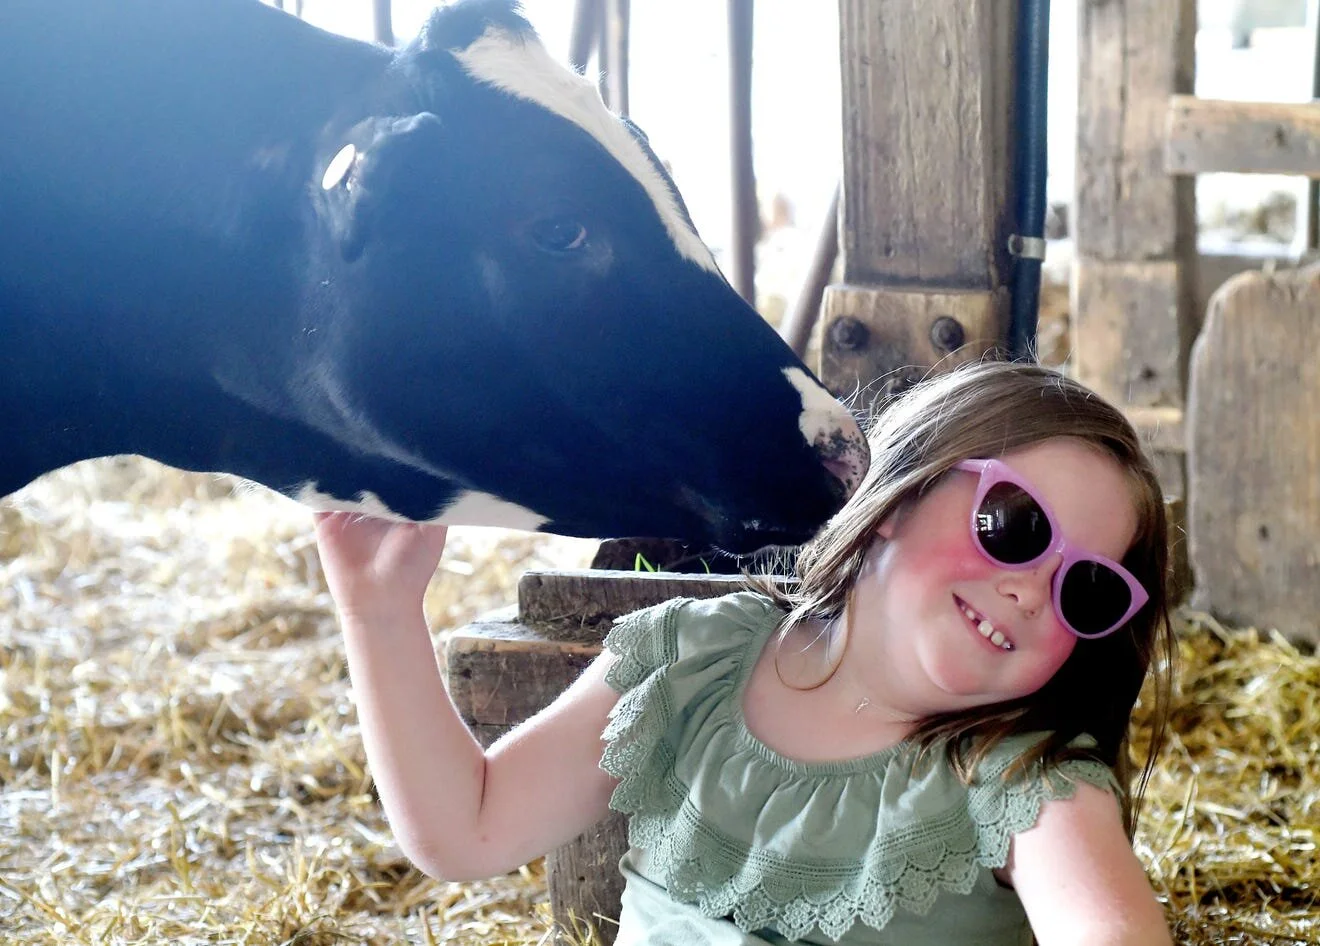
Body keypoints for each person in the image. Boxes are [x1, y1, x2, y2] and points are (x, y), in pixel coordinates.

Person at [314, 360, 1176, 945]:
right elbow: (469, 831)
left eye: (1086, 590)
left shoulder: (1024, 784)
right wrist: (380, 611)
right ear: (895, 496)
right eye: (1015, 527)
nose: (1032, 589)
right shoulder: (695, 661)